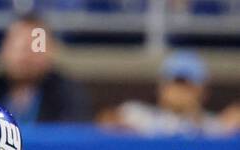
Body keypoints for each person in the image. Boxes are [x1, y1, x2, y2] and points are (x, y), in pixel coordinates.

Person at [0, 15, 90, 124]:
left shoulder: (67, 96)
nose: (25, 56)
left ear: (51, 51)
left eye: (35, 47)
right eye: (19, 47)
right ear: (4, 49)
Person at [99, 51, 236, 136]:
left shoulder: (214, 126)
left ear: (202, 90)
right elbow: (106, 121)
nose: (179, 91)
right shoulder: (140, 116)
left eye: (187, 85)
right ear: (162, 88)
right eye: (175, 83)